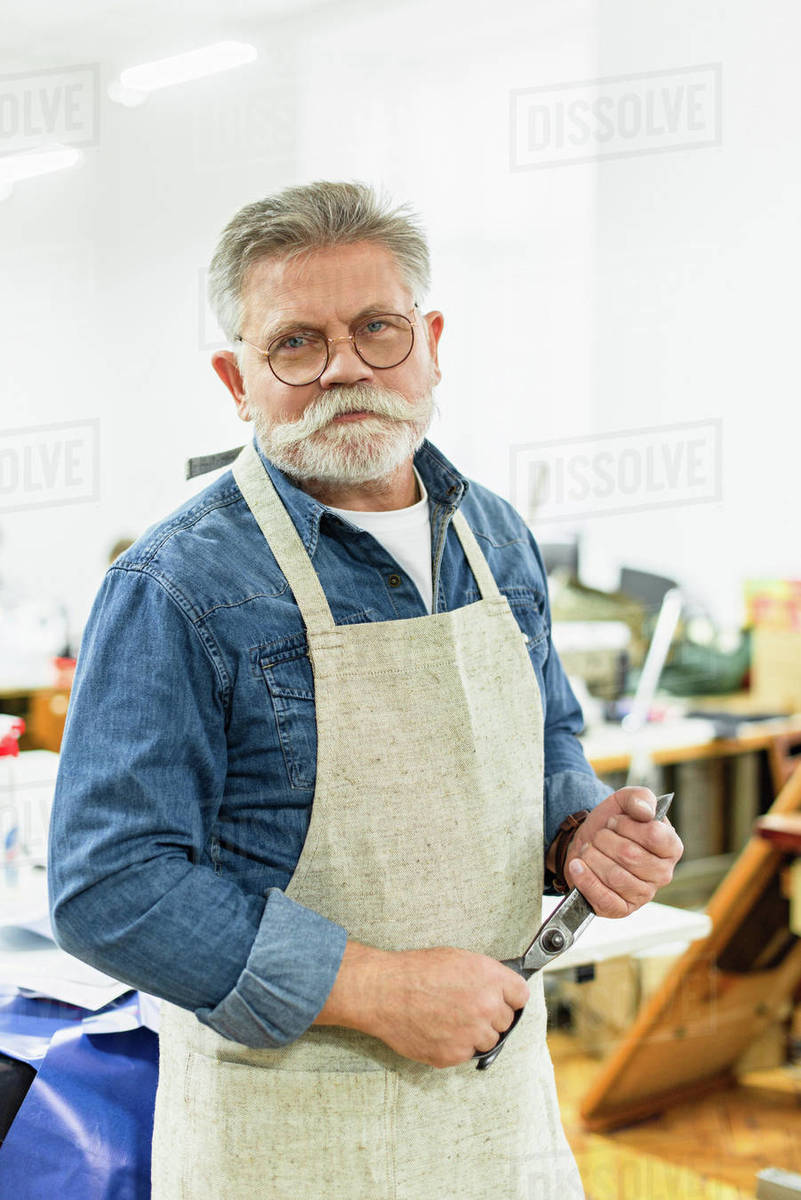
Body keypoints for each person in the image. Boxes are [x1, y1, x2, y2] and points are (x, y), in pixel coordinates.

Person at [48, 180, 683, 1199]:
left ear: (431, 340)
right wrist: (375, 988)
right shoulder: (177, 584)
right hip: (288, 1135)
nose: (346, 366)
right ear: (235, 377)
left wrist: (577, 830)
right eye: (296, 343)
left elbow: (551, 735)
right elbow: (107, 885)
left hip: (500, 1117)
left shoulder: (497, 540)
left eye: (376, 328)